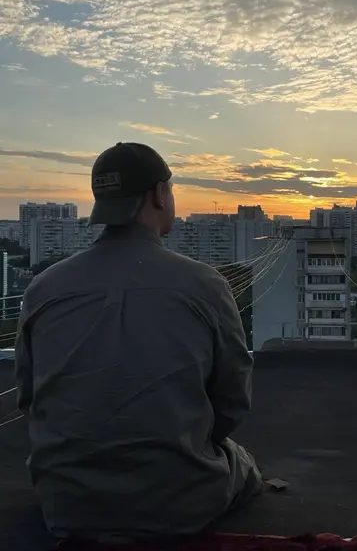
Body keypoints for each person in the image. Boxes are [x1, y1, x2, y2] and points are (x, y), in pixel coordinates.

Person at [15, 142, 262, 545]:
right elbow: (232, 400)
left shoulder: (43, 287)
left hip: (67, 503)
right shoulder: (205, 284)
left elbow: (29, 397)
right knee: (241, 462)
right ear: (160, 194)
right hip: (178, 505)